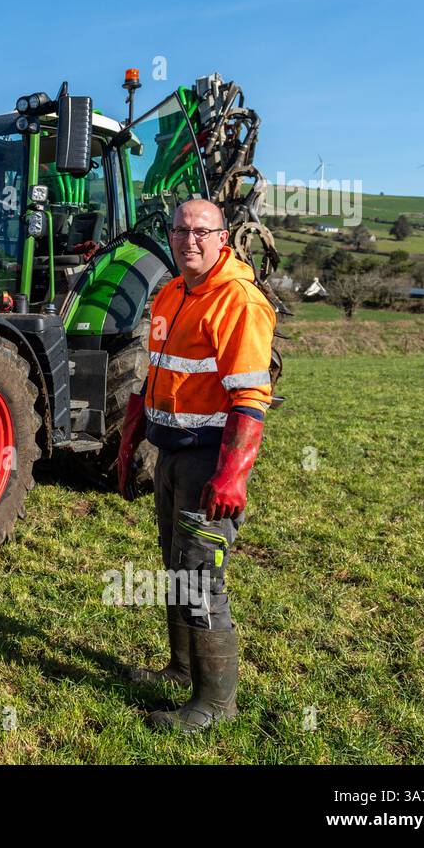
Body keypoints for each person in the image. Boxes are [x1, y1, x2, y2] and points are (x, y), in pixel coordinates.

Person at [116, 198, 276, 732]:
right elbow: (153, 377)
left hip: (209, 458)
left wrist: (232, 475)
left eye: (201, 232)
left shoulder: (237, 302)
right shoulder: (170, 294)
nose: (189, 240)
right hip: (170, 453)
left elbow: (250, 398)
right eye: (181, 230)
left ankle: (214, 704)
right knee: (176, 570)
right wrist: (128, 442)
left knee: (200, 577)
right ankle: (181, 671)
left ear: (223, 238)